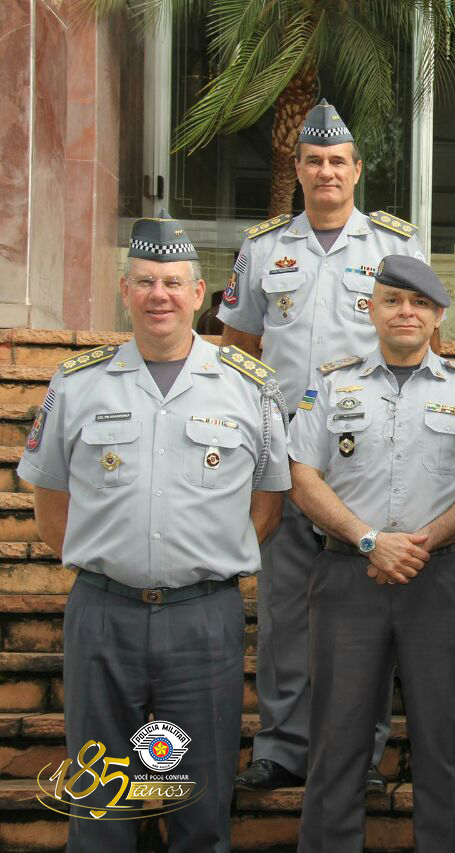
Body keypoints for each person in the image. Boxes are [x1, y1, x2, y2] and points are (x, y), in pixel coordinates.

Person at [17, 212, 291, 851]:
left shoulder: (248, 386)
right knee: (100, 808)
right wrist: (114, 563)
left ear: (198, 294)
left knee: (201, 805)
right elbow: (50, 505)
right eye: (144, 281)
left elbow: (268, 505)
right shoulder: (76, 383)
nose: (158, 295)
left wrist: (203, 562)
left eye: (172, 283)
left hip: (203, 619)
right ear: (125, 291)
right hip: (102, 615)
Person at [218, 99, 425, 793]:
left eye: (338, 161)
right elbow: (238, 347)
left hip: (362, 453)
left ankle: (358, 751)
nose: (327, 171)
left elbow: (415, 339)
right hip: (283, 454)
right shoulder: (264, 248)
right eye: (314, 161)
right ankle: (281, 744)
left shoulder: (395, 247)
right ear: (298, 169)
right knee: (284, 607)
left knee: (365, 611)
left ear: (358, 170)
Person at [290, 255, 455, 852]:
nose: (407, 312)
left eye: (420, 303)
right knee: (336, 740)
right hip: (349, 576)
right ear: (370, 309)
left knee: (447, 743)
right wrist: (370, 540)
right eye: (393, 301)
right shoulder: (331, 384)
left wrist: (419, 544)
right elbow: (302, 475)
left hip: (442, 578)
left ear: (439, 316)